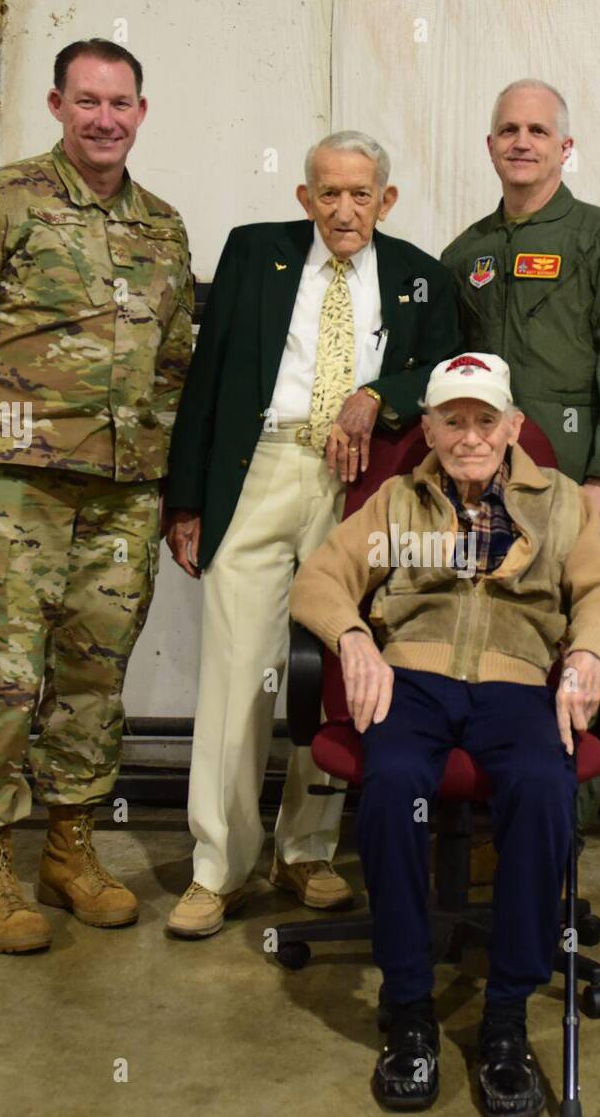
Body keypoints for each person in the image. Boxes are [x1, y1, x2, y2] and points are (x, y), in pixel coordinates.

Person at [0, 39, 194, 953]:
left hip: (123, 493)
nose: (106, 118)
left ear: (143, 111)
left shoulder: (165, 226)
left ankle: (70, 848)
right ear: (58, 104)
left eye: (122, 103)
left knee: (94, 677)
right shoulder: (2, 201)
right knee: (4, 676)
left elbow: (176, 361)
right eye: (88, 101)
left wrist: (171, 487)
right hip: (12, 487)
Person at [290, 352, 600, 1117]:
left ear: (513, 426)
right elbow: (318, 578)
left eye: (487, 420)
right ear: (430, 428)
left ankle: (508, 1020)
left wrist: (587, 651)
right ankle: (409, 1007)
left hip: (518, 683)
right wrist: (351, 638)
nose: (471, 435)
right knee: (389, 788)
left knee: (545, 790)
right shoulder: (394, 501)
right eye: (454, 420)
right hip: (411, 680)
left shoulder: (559, 506)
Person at [161, 132, 460, 939]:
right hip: (258, 468)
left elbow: (444, 376)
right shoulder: (255, 256)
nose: (344, 209)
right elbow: (209, 373)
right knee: (236, 673)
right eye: (328, 193)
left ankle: (308, 850)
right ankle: (216, 866)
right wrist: (185, 498)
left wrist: (376, 395)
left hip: (357, 484)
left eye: (361, 195)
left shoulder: (420, 278)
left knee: (336, 667)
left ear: (386, 201)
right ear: (304, 198)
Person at [441, 78, 600, 855]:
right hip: (484, 484)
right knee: (498, 635)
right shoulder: (465, 254)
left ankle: (564, 825)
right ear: (491, 146)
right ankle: (499, 809)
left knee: (578, 637)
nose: (522, 141)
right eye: (508, 130)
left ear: (565, 147)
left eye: (538, 130)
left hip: (574, 483)